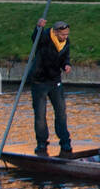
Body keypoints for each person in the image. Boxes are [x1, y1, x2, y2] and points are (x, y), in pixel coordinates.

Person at [30, 18, 72, 157]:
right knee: (40, 114)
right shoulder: (45, 38)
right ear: (55, 32)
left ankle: (65, 141)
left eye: (67, 34)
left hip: (55, 81)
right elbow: (35, 39)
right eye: (62, 35)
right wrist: (38, 27)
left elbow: (65, 57)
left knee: (61, 112)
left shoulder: (66, 42)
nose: (65, 37)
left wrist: (66, 65)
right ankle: (42, 143)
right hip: (40, 81)